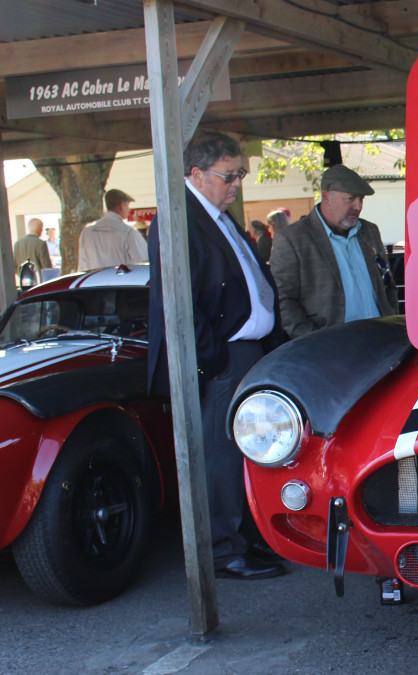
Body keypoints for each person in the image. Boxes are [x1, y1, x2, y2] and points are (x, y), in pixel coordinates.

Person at [147, 131, 287, 581]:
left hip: (247, 351)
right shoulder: (178, 218)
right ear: (196, 174)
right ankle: (222, 551)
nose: (236, 185)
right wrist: (215, 361)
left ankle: (245, 538)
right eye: (229, 176)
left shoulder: (216, 215)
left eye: (239, 174)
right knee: (220, 456)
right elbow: (179, 302)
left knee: (251, 449)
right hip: (224, 355)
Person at [270, 165, 397, 338]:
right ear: (326, 197)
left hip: (381, 339)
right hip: (331, 347)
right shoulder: (293, 238)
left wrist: (391, 318)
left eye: (361, 200)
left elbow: (388, 283)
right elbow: (282, 300)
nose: (358, 206)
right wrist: (314, 342)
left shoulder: (369, 231)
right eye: (350, 199)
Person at [78, 188, 149, 271]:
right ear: (121, 205)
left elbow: (83, 266)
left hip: (94, 282)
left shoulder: (87, 233)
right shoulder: (128, 232)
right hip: (120, 282)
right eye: (128, 205)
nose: (129, 210)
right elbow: (143, 263)